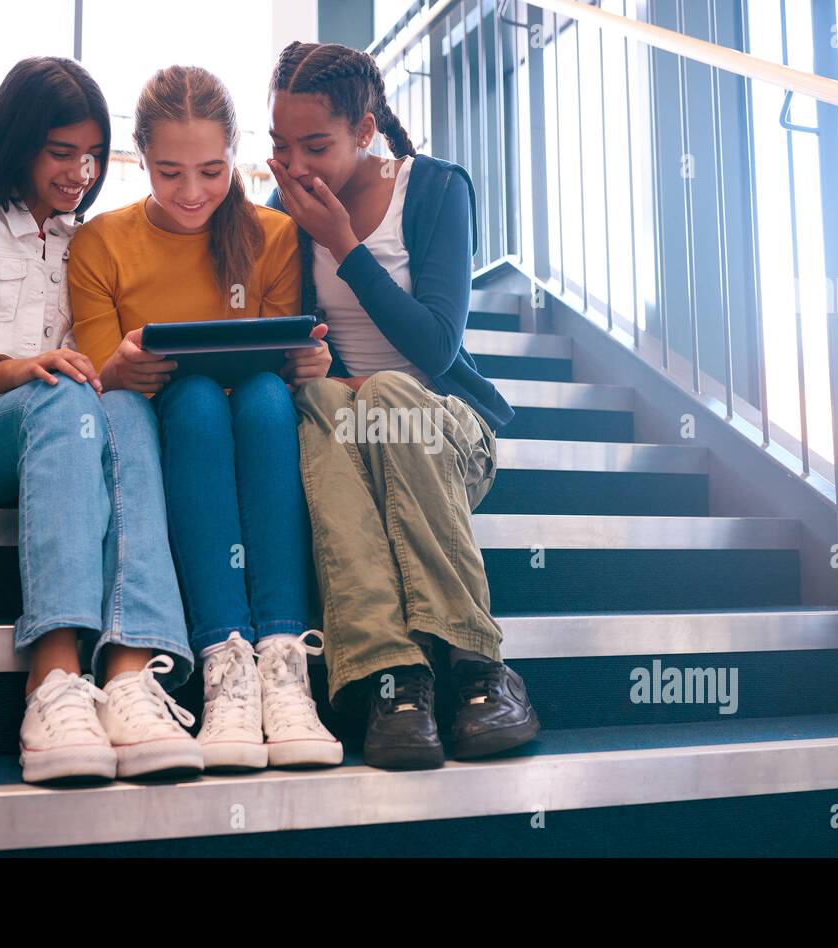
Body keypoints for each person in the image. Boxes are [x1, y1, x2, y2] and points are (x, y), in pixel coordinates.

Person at [0, 57, 202, 784]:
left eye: (93, 156)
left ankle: (127, 676)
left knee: (117, 400)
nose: (81, 173)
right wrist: (11, 369)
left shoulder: (81, 243)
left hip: (60, 442)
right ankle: (53, 677)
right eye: (62, 153)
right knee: (65, 391)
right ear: (18, 140)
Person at [265, 41, 540, 770]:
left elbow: (438, 347)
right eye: (281, 147)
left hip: (445, 428)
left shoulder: (437, 189)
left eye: (316, 145)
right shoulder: (280, 211)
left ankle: (475, 664)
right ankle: (392, 679)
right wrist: (306, 361)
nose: (295, 167)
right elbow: (286, 339)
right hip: (344, 430)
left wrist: (345, 246)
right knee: (323, 398)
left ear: (364, 130)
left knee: (389, 390)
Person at [68, 65, 342, 771]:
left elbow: (280, 355)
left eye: (212, 171)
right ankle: (225, 668)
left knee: (262, 395)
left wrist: (307, 363)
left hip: (255, 425)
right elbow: (95, 379)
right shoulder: (100, 242)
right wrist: (118, 369)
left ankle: (283, 664)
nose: (192, 194)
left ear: (234, 156)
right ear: (139, 160)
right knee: (191, 399)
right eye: (169, 172)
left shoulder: (273, 236)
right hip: (169, 433)